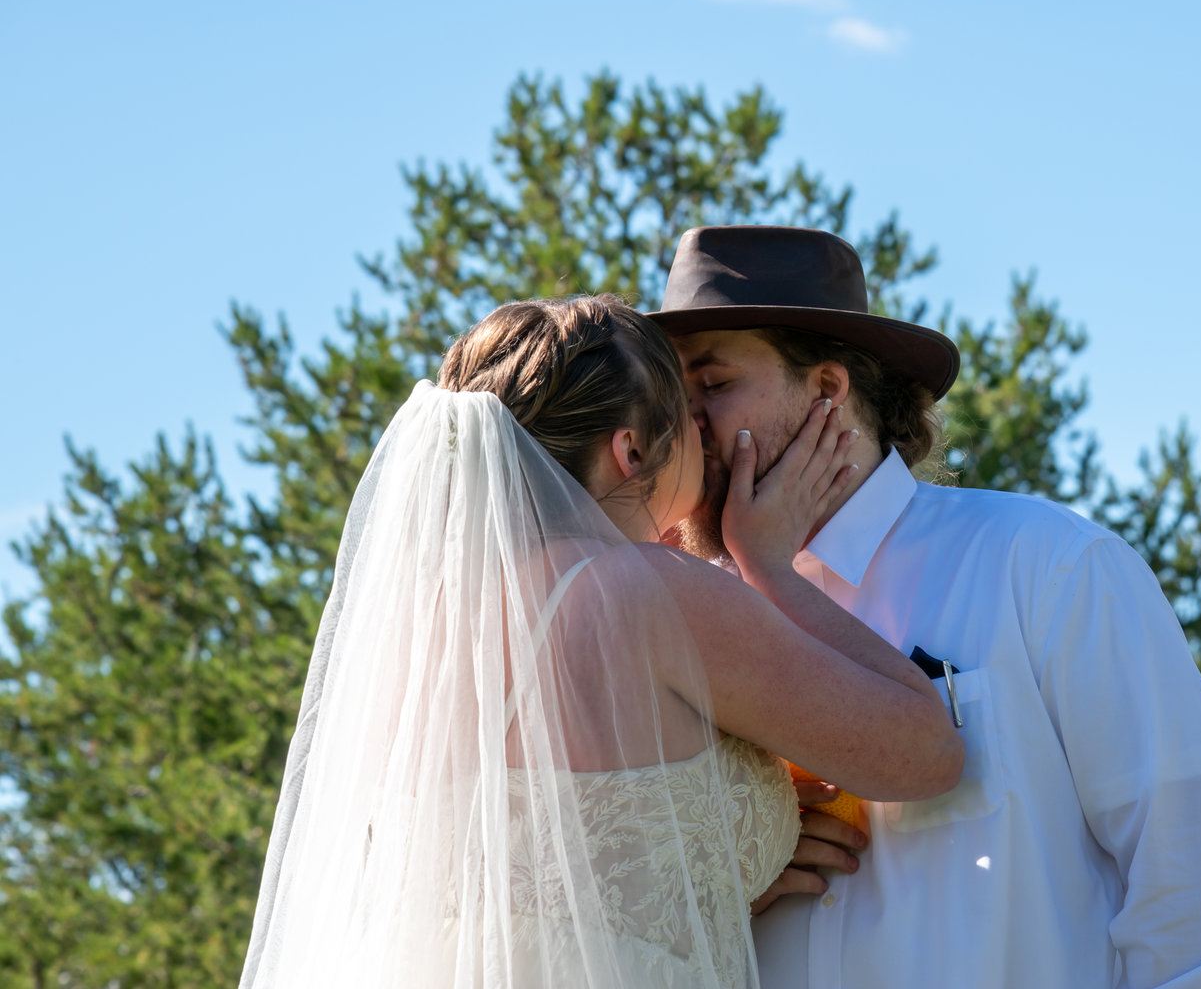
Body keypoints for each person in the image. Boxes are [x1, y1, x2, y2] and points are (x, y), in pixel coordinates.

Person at [238, 295, 962, 989]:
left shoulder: (412, 645)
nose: (705, 435)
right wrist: (767, 567)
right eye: (686, 412)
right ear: (633, 450)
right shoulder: (652, 592)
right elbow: (925, 753)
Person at [651, 225, 1201, 987]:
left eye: (711, 387)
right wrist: (729, 888)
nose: (685, 427)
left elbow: (1197, 887)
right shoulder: (684, 613)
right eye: (674, 400)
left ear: (827, 391)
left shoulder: (1047, 564)